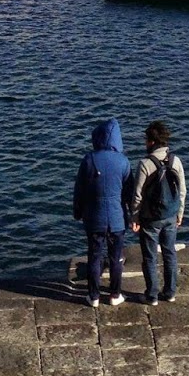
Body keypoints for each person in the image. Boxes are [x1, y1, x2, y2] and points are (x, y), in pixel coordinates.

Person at [73, 118, 133, 308]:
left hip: (94, 217)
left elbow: (79, 190)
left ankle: (94, 296)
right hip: (117, 218)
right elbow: (129, 193)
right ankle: (115, 294)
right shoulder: (124, 162)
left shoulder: (89, 159)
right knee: (116, 258)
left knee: (94, 256)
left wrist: (78, 211)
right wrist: (133, 216)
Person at [131, 120, 186, 306]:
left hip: (150, 218)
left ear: (152, 142)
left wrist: (135, 217)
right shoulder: (175, 161)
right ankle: (170, 292)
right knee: (170, 253)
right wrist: (180, 213)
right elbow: (182, 190)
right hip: (170, 215)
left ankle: (152, 295)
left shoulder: (145, 164)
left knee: (150, 257)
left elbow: (137, 195)